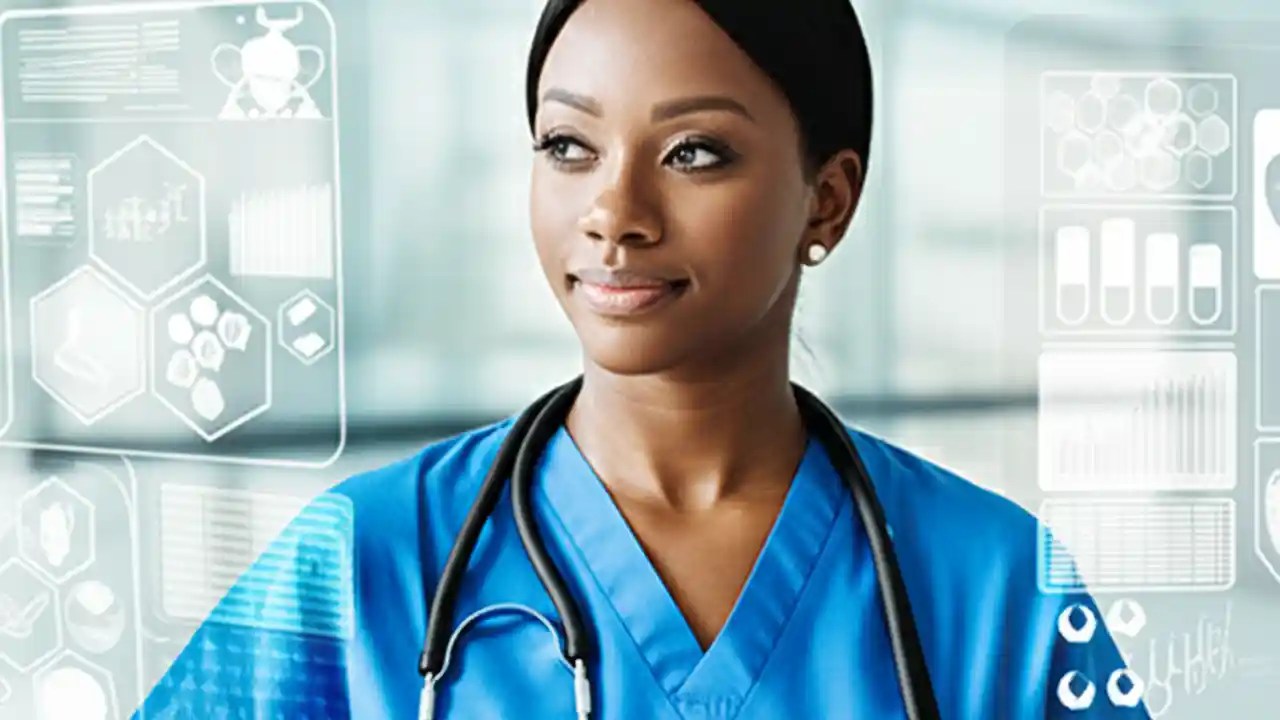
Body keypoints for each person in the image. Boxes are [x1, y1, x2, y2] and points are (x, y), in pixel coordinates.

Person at [134, 0, 1150, 717]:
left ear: (825, 200)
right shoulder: (361, 564)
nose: (613, 214)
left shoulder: (996, 588)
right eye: (567, 147)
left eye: (692, 152)